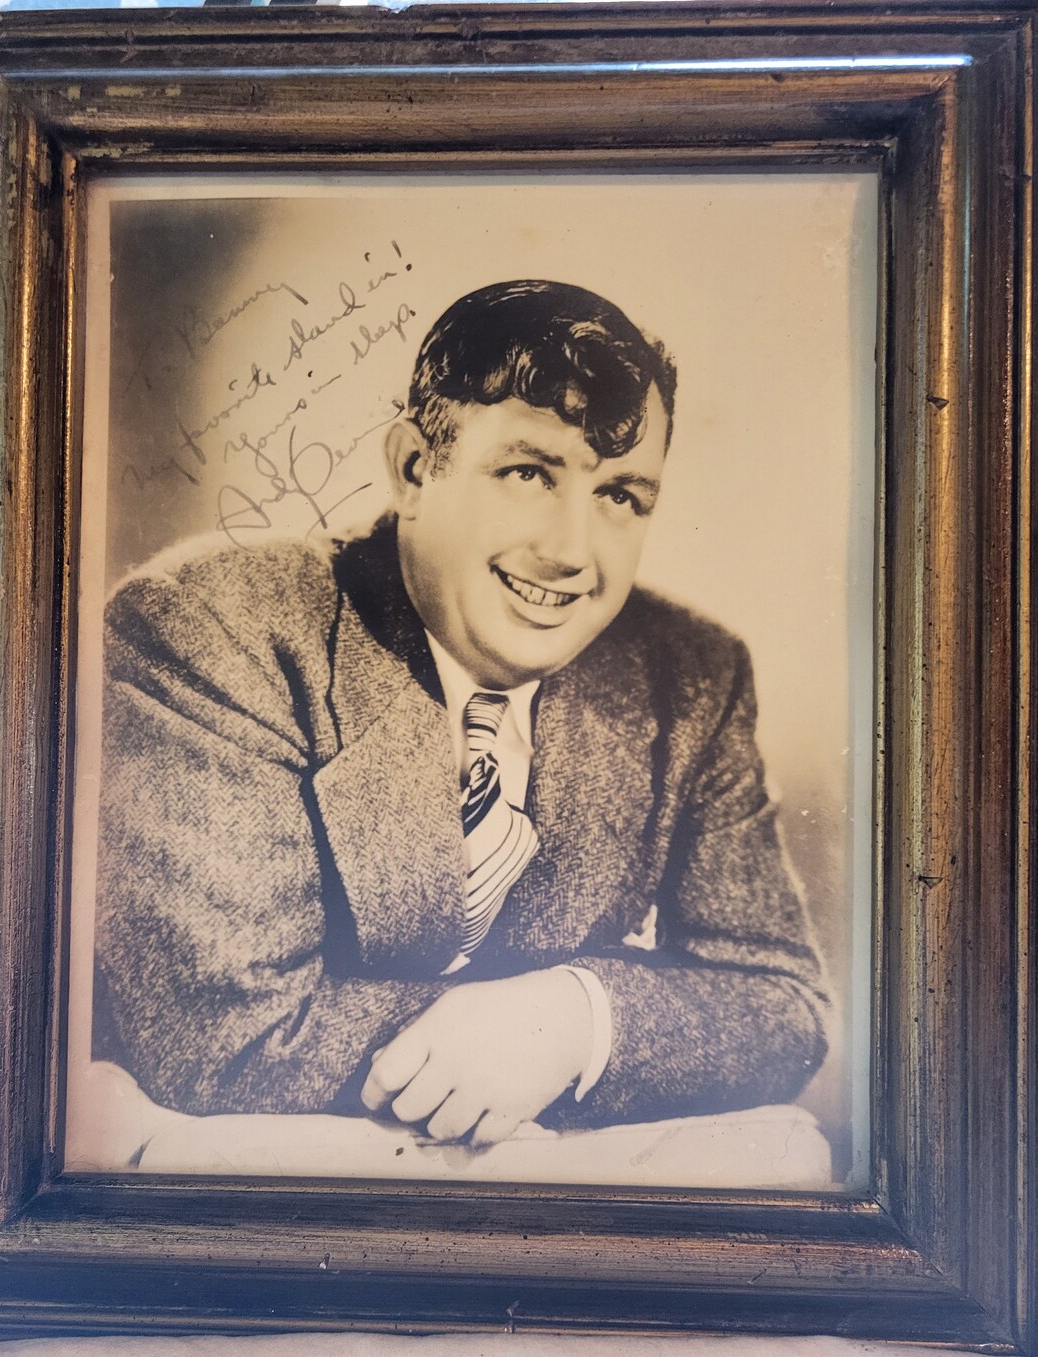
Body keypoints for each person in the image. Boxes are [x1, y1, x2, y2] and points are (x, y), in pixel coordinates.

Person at [94, 279, 827, 1148]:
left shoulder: (691, 673)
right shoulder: (212, 625)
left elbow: (783, 1004)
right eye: (528, 473)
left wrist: (573, 1020)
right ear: (414, 467)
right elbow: (227, 1042)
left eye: (621, 496)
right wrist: (538, 1036)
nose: (570, 551)